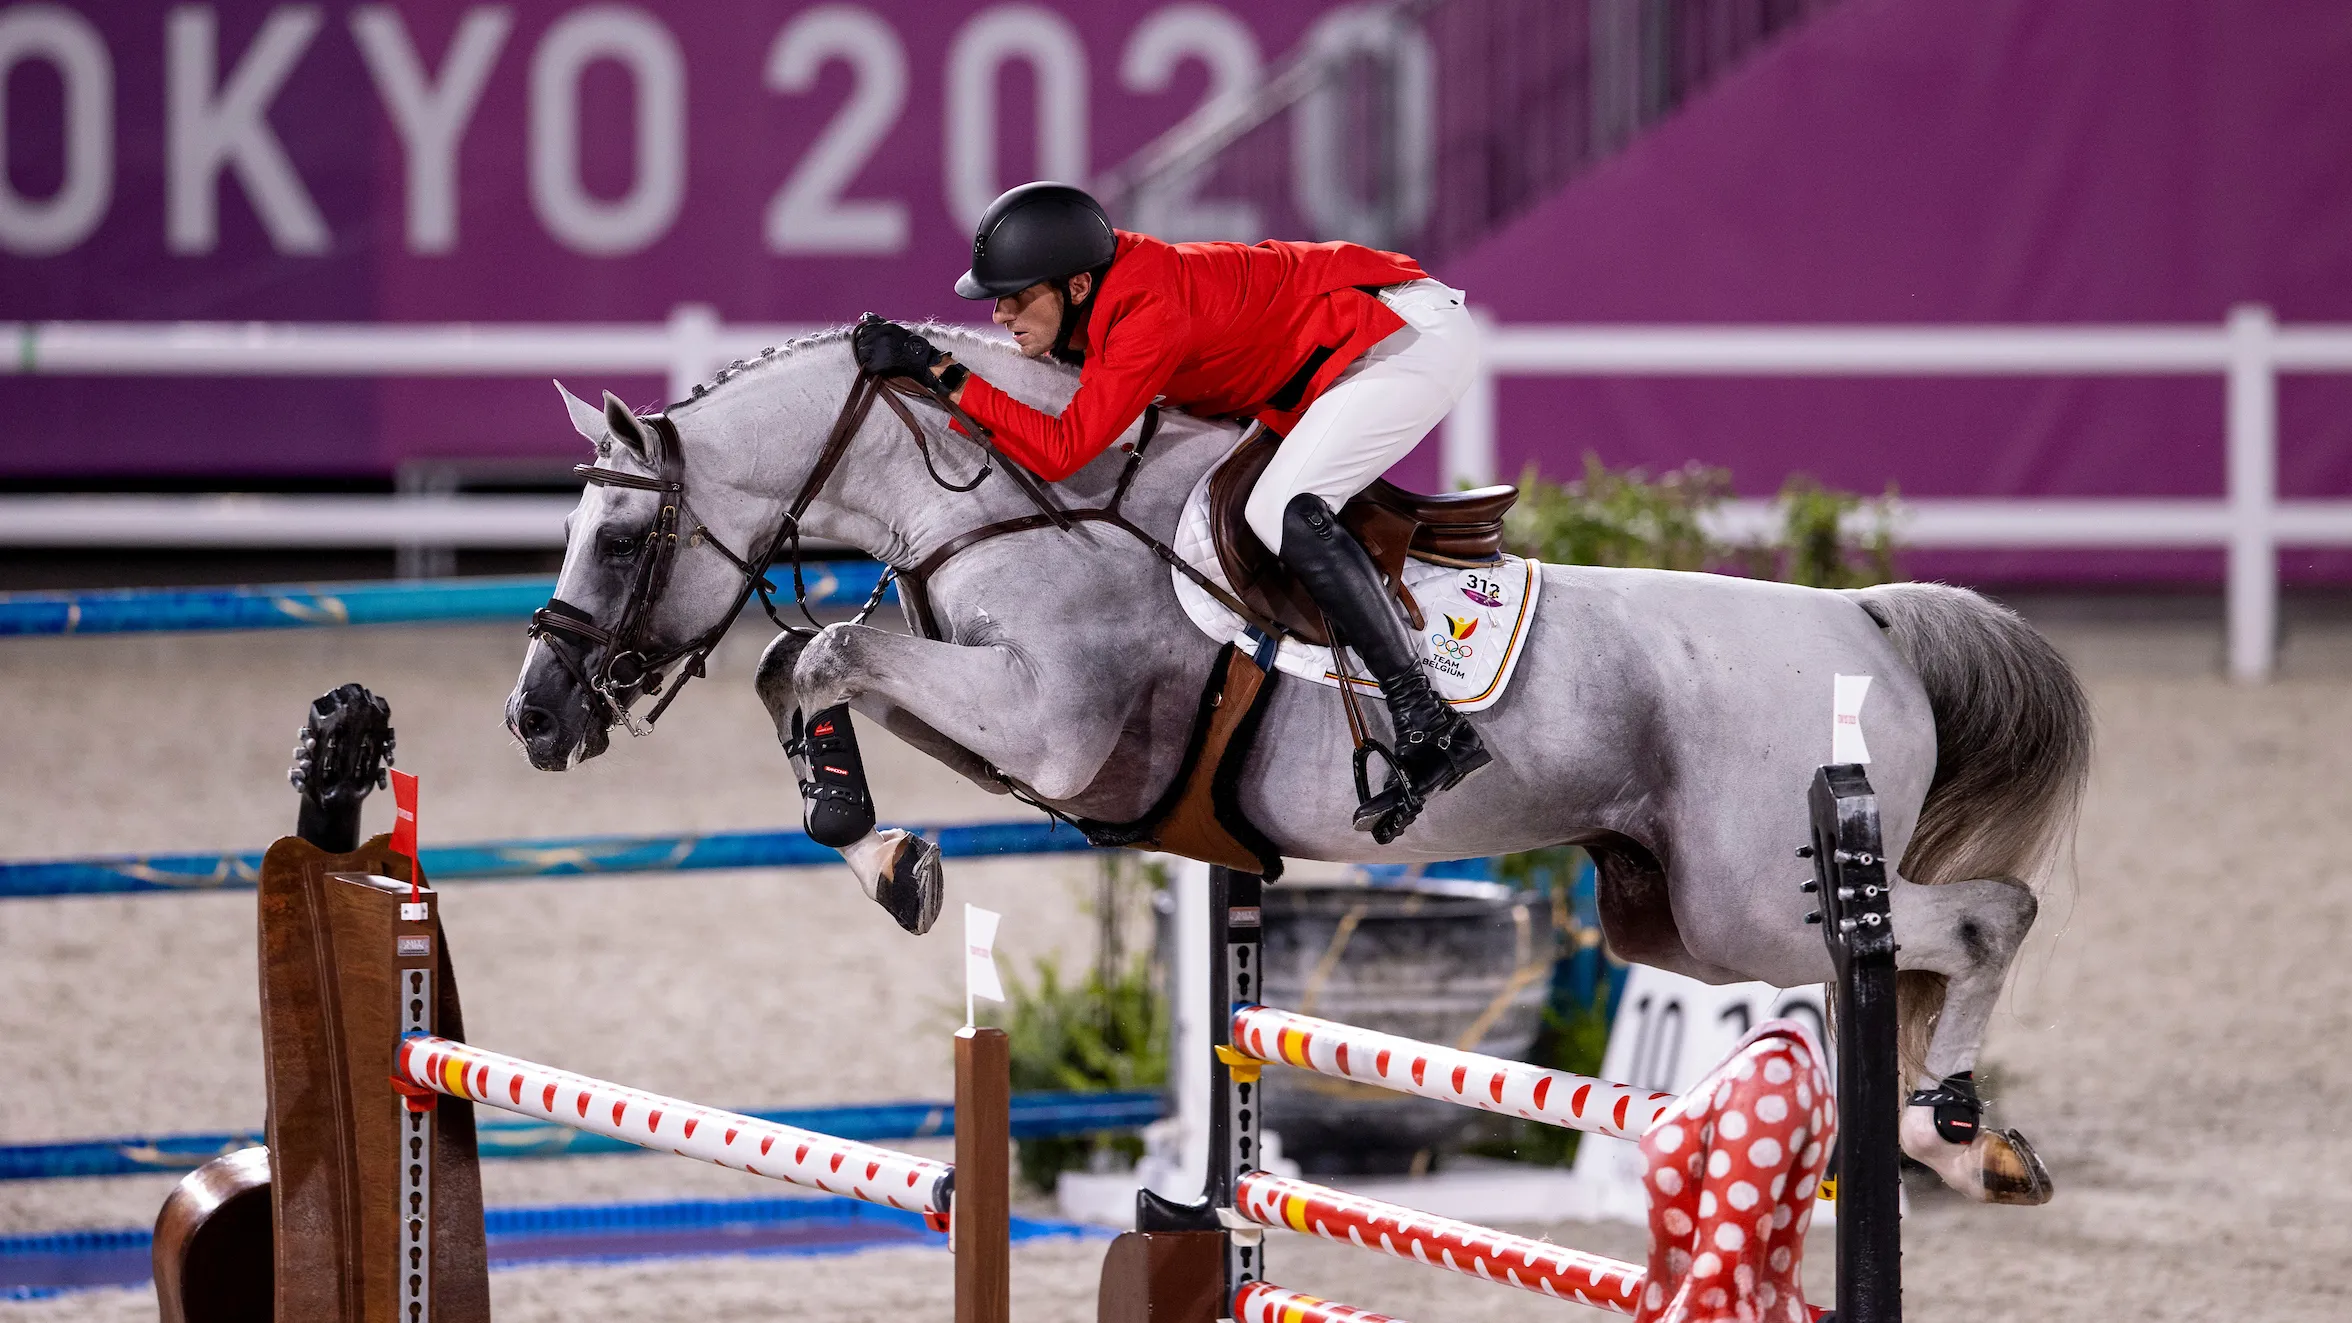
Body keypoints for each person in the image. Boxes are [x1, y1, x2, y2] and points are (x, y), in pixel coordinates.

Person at [852, 181, 1487, 837]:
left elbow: (1063, 447)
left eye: (1016, 295)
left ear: (1075, 288)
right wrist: (936, 382)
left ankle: (1430, 722)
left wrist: (942, 372)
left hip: (1404, 340)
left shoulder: (1144, 310)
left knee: (1284, 510)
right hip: (1340, 348)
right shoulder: (1102, 297)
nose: (1000, 313)